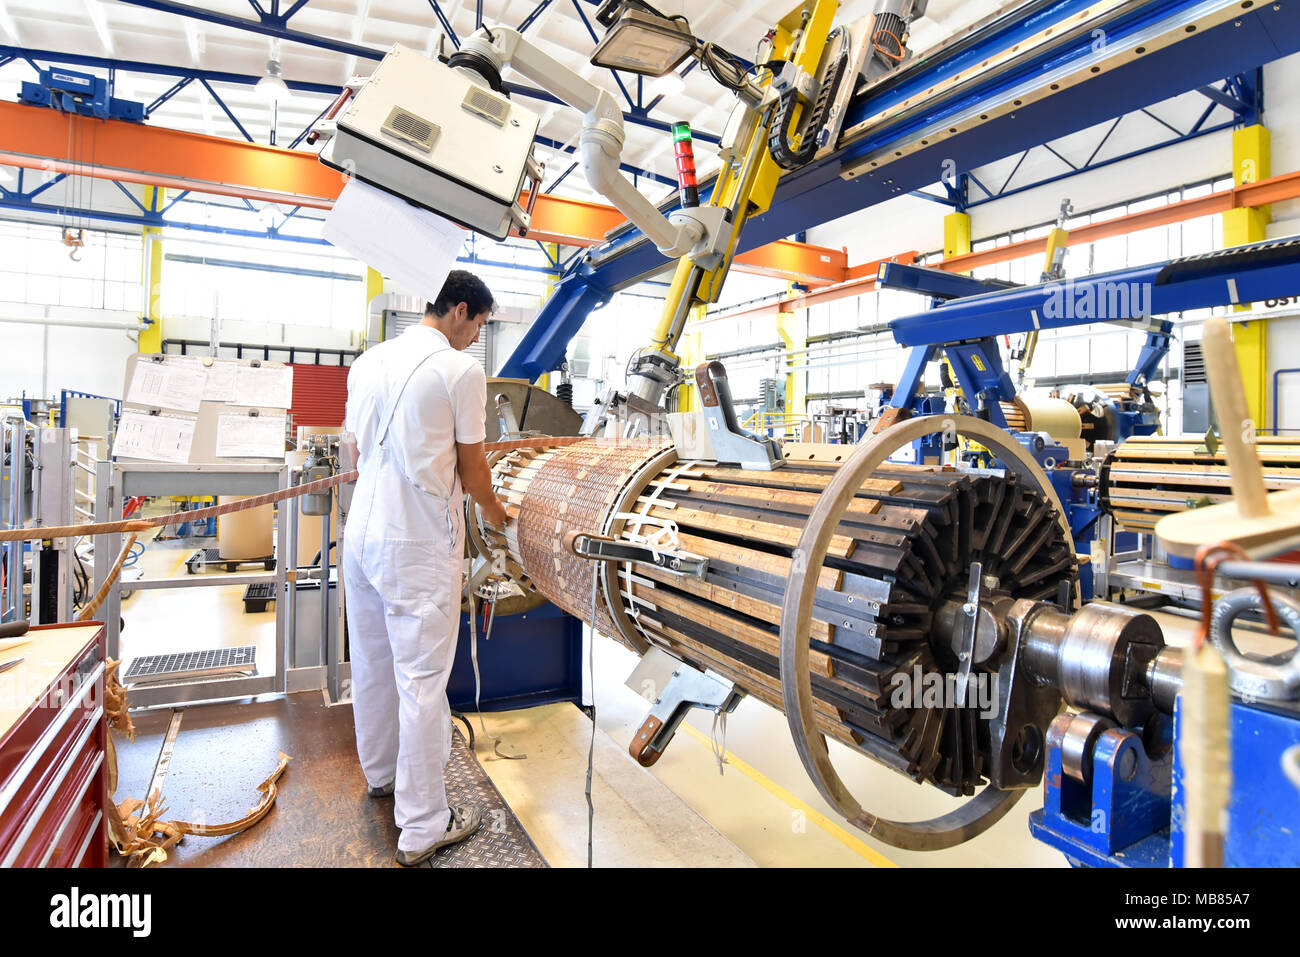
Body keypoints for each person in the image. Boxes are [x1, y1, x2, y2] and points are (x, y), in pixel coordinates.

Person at [342, 270, 509, 866]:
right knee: (421, 683)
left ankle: (382, 774)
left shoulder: (370, 361)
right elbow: (473, 472)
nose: (477, 339)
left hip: (360, 533)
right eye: (481, 325)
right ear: (461, 311)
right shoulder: (460, 371)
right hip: (414, 542)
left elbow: (354, 452)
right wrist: (500, 515)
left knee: (374, 661)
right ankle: (422, 827)